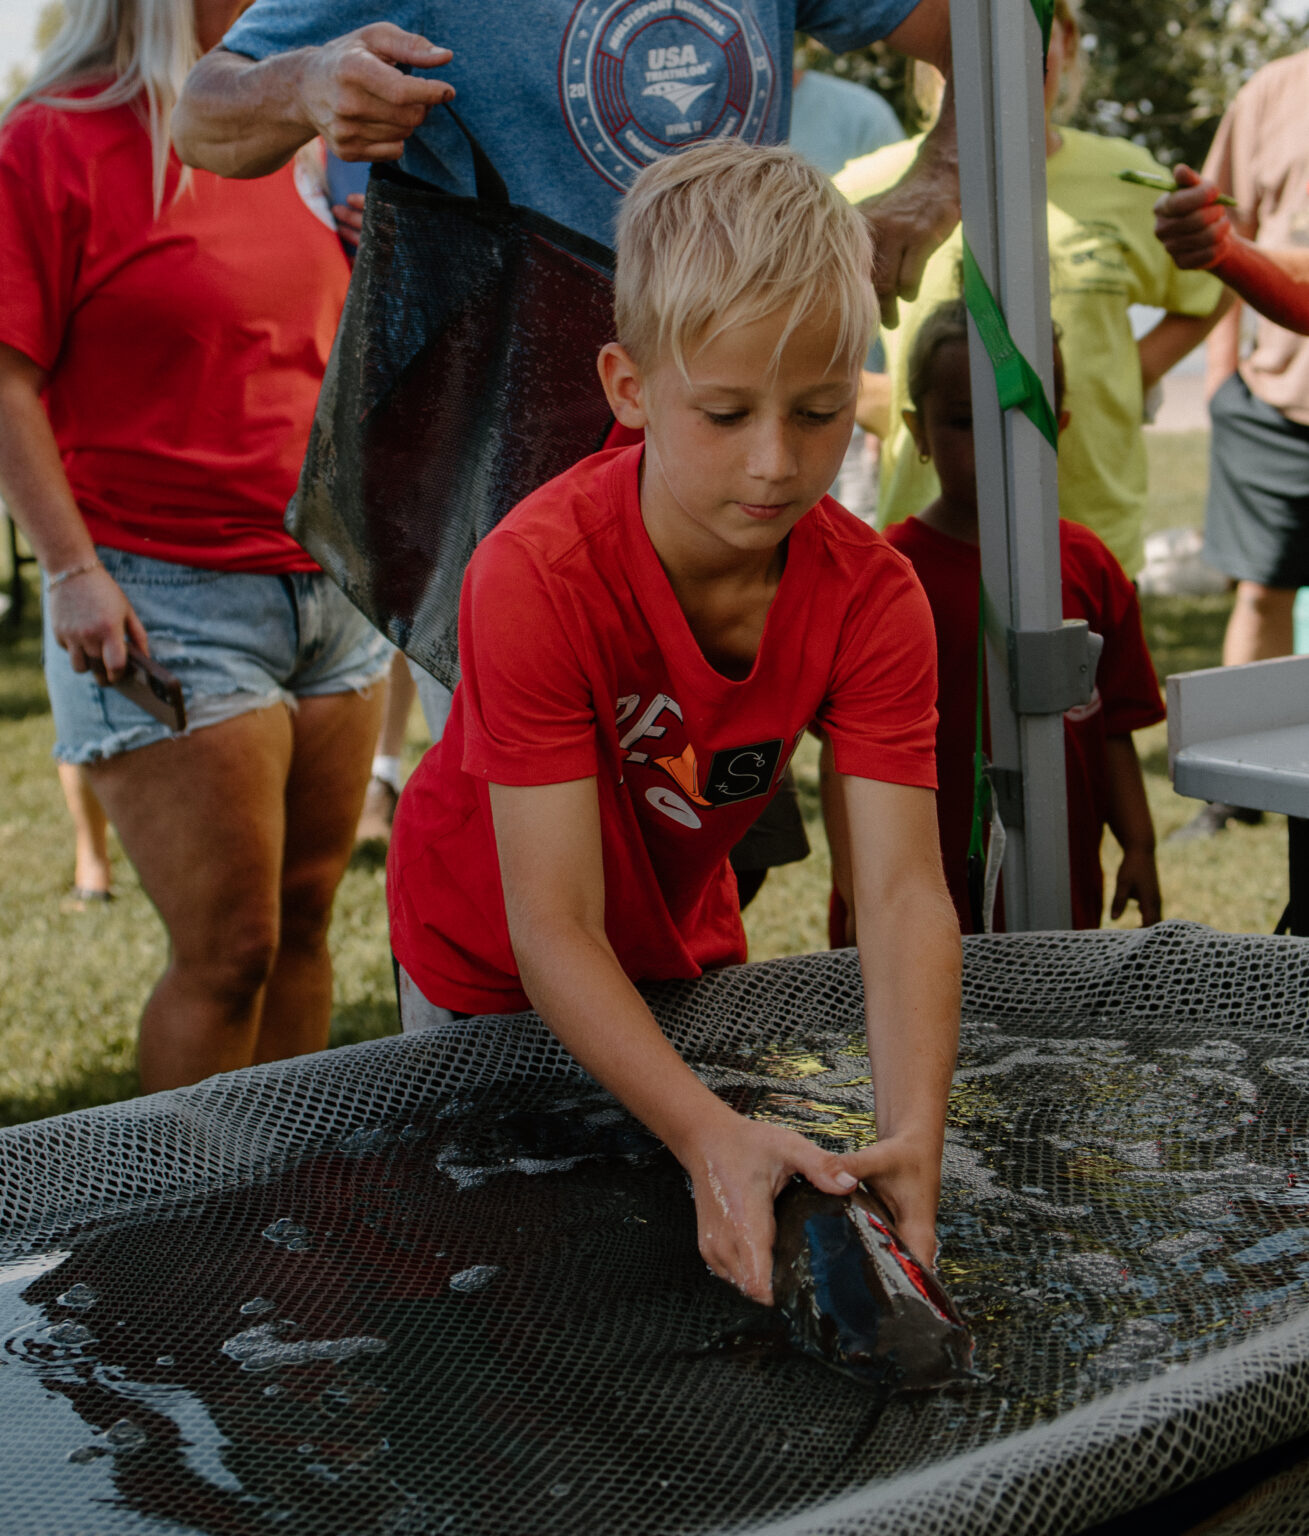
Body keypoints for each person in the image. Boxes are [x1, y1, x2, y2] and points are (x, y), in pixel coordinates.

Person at [388, 141, 961, 1302]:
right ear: (629, 387)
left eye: (816, 413)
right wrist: (705, 1134)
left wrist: (913, 1134)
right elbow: (550, 927)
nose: (773, 464)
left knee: (675, 1265)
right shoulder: (533, 574)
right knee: (504, 1273)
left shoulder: (875, 595)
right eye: (724, 412)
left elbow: (903, 894)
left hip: (676, 939)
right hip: (485, 955)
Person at [0, 0, 391, 1093]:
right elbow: (6, 380)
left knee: (307, 926)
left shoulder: (313, 141)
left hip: (329, 583)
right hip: (161, 594)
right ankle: (185, 1243)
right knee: (228, 956)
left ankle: (282, 1211)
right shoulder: (55, 137)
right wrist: (73, 573)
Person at [169, 0, 959, 326]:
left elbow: (993, 35)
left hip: (737, 456)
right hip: (501, 474)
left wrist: (936, 188)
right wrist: (304, 84)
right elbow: (201, 114)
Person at [836, 0, 1225, 581]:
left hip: (1091, 522)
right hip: (930, 530)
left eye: (1036, 34)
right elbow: (797, 330)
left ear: (1066, 42)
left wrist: (1128, 373)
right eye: (983, 36)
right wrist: (879, 404)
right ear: (937, 48)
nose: (1014, 57)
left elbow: (1208, 291)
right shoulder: (872, 186)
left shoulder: (1127, 177)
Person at [865, 300, 1164, 934]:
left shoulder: (1087, 564)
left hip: (1058, 883)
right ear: (918, 432)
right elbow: (849, 749)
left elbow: (1116, 724)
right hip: (919, 895)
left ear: (1060, 424)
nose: (995, 446)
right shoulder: (887, 573)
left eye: (1020, 418)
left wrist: (1139, 844)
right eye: (964, 422)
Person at [1151, 56, 1309, 838]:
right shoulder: (1271, 92)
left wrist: (1225, 250)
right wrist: (1217, 379)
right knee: (1257, 592)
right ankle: (1238, 789)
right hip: (1275, 397)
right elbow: (1224, 230)